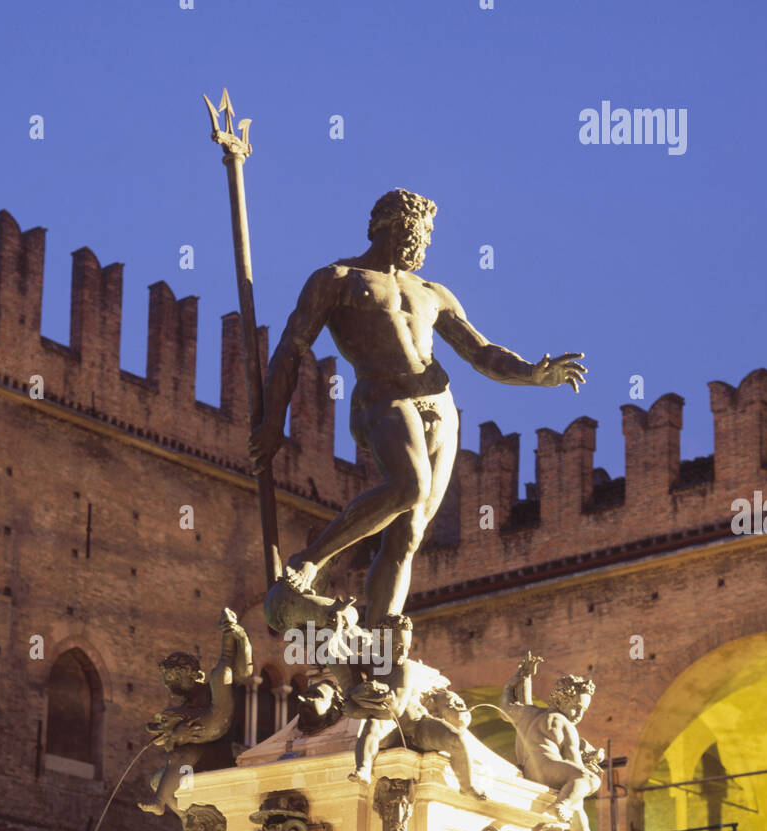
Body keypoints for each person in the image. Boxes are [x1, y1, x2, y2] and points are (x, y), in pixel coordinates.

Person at [249, 188, 586, 626]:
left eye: (429, 235)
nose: (426, 243)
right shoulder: (336, 280)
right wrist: (274, 420)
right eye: (422, 232)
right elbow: (291, 350)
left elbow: (481, 352)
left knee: (409, 533)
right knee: (409, 487)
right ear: (395, 224)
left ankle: (382, 640)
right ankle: (309, 562)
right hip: (384, 398)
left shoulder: (433, 293)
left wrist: (533, 373)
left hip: (440, 404)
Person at [347, 615, 486, 799]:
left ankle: (467, 785)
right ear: (381, 644)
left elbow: (395, 709)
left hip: (418, 726)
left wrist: (357, 709)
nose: (403, 654)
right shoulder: (370, 663)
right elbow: (342, 663)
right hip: (392, 728)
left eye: (407, 648)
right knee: (372, 726)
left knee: (457, 738)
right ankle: (363, 768)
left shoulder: (404, 669)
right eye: (397, 648)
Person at [138, 608, 252, 814]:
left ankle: (160, 803)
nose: (166, 685)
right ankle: (185, 819)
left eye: (170, 678)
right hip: (192, 765)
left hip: (216, 761)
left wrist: (239, 635)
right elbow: (170, 745)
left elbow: (242, 670)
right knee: (157, 780)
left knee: (183, 755)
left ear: (186, 675)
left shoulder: (214, 689)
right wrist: (174, 735)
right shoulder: (186, 707)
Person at [499, 651, 605, 831]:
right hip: (547, 770)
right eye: (576, 707)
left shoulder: (528, 713)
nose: (579, 715)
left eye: (582, 710)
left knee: (575, 792)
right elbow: (575, 766)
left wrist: (516, 680)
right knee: (587, 781)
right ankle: (566, 810)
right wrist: (587, 764)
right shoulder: (565, 725)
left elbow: (505, 707)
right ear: (560, 700)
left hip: (529, 770)